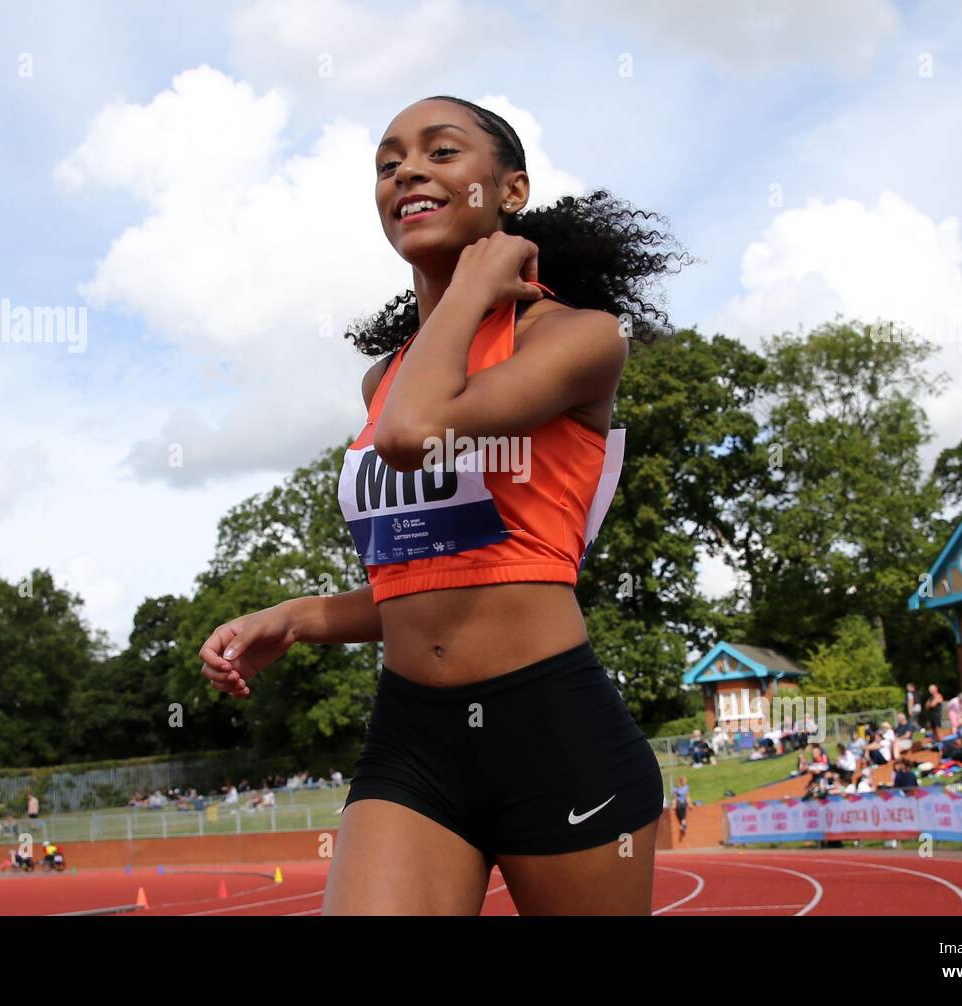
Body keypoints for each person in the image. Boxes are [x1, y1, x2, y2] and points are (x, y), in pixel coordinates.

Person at [198, 97, 686, 916]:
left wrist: (471, 290)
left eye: (441, 151)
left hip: (551, 732)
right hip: (412, 738)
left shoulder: (579, 336)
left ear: (510, 191)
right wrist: (300, 616)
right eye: (388, 163)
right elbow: (424, 577)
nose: (407, 171)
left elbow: (414, 435)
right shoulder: (383, 381)